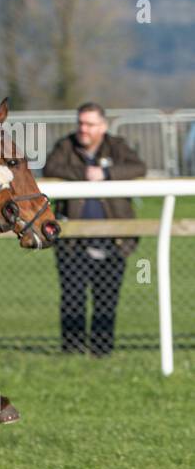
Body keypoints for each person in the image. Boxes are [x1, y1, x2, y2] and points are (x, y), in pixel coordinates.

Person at [43, 103, 146, 355]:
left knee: (106, 299)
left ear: (103, 126)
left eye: (89, 124)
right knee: (73, 298)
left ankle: (102, 350)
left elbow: (138, 167)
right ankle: (72, 350)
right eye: (80, 123)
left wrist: (106, 173)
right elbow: (51, 168)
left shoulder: (116, 146)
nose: (83, 129)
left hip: (114, 239)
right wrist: (84, 173)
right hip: (72, 240)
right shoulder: (65, 146)